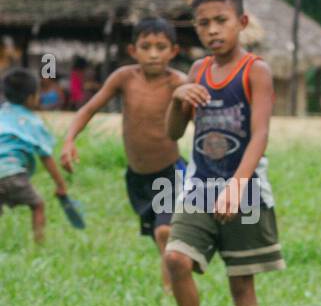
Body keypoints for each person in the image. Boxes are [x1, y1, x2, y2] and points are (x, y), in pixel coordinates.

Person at [163, 0, 282, 306]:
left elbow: (260, 135)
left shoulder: (256, 71)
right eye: (203, 24)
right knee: (176, 260)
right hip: (199, 186)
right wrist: (179, 98)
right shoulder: (197, 72)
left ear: (242, 23)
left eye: (221, 21)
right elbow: (173, 132)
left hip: (245, 190)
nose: (212, 30)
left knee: (241, 281)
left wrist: (236, 186)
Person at [61, 18, 187, 291]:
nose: (153, 53)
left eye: (161, 47)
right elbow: (88, 109)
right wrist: (70, 139)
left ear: (173, 51)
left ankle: (171, 291)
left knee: (164, 231)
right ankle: (178, 269)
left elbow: (203, 119)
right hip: (137, 176)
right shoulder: (124, 78)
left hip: (169, 171)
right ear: (133, 50)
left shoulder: (179, 83)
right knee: (160, 235)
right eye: (146, 46)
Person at [0, 67, 70, 243]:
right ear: (31, 97)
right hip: (12, 172)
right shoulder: (32, 122)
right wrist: (60, 185)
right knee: (37, 205)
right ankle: (39, 244)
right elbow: (46, 157)